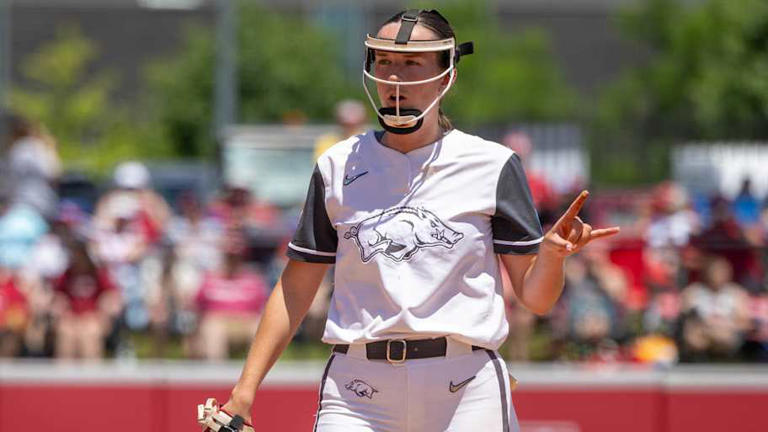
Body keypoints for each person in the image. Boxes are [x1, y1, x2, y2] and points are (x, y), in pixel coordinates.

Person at [197, 9, 619, 432]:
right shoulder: (336, 165)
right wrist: (245, 389)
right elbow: (296, 287)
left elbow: (537, 298)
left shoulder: (492, 165)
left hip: (465, 386)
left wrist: (551, 256)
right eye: (384, 62)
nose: (395, 77)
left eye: (412, 63)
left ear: (446, 75)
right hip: (357, 386)